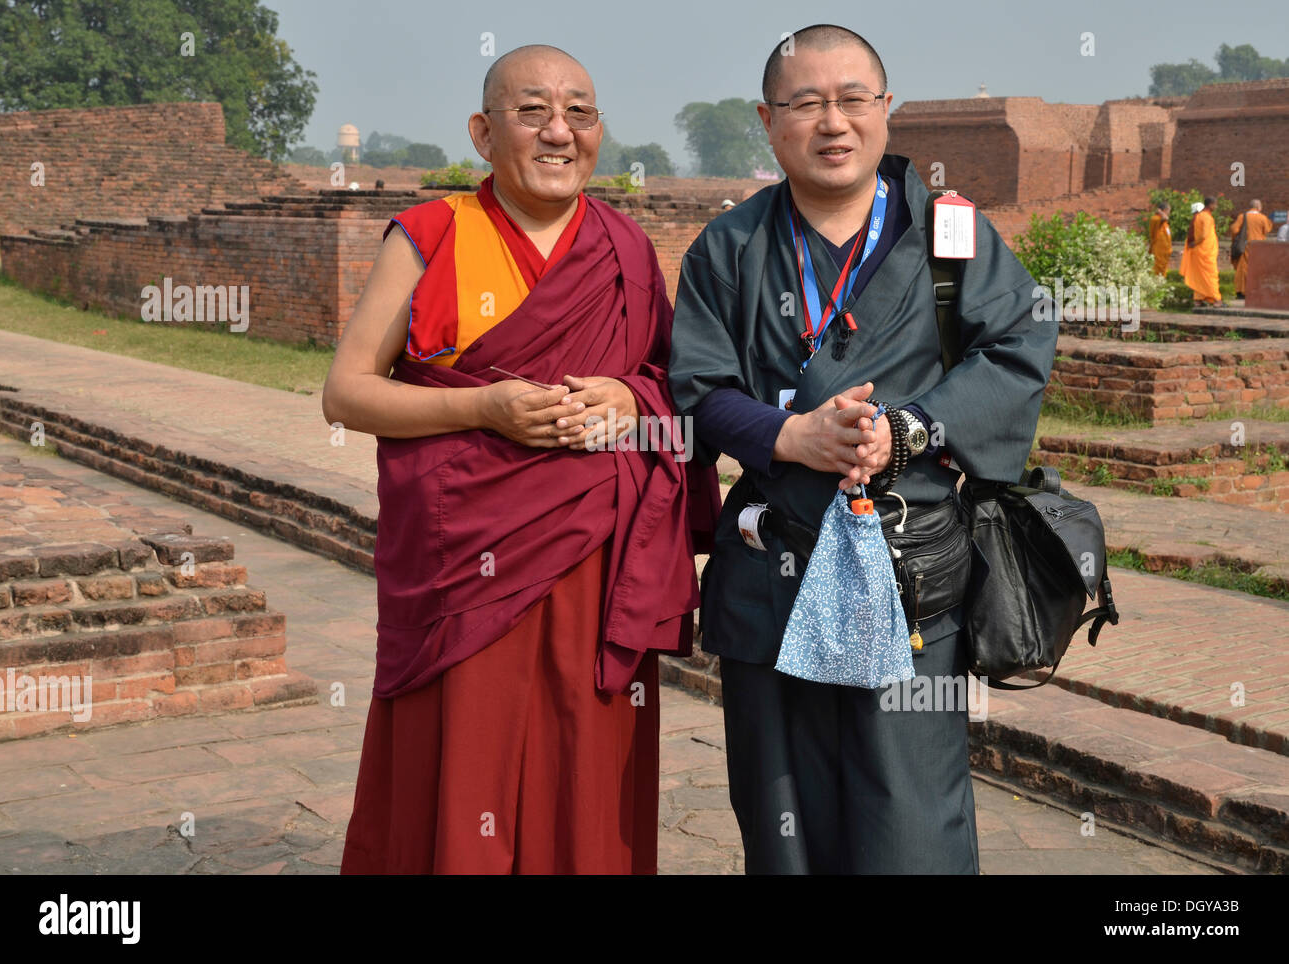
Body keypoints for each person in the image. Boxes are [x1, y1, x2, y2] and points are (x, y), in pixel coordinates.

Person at [668, 24, 1057, 874]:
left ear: (887, 111)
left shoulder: (950, 234)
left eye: (853, 100)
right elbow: (695, 394)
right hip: (773, 565)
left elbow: (1020, 345)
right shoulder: (728, 248)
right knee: (785, 825)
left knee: (910, 825)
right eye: (806, 103)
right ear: (769, 121)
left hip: (911, 572)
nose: (832, 122)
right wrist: (790, 435)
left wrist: (910, 429)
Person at [324, 43, 717, 874]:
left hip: (595, 568)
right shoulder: (431, 235)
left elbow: (679, 404)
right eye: (532, 109)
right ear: (482, 131)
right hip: (467, 566)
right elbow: (348, 394)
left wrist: (630, 401)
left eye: (580, 111)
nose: (559, 131)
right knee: (466, 754)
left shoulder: (625, 249)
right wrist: (482, 407)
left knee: (586, 761)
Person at [1180, 197, 1222, 306]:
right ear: (1211, 205)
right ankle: (1216, 299)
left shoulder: (1198, 216)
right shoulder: (1206, 217)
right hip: (1205, 251)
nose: (1216, 207)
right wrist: (1196, 242)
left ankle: (1198, 300)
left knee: (1199, 276)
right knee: (1210, 275)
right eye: (1215, 205)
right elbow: (1203, 235)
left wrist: (1194, 243)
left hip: (1200, 251)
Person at [1230, 198, 1273, 298]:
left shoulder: (1242, 216)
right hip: (1259, 247)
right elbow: (1267, 230)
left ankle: (1241, 292)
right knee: (1257, 269)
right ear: (1258, 207)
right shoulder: (1263, 218)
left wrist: (1235, 240)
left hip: (1245, 246)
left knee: (1243, 269)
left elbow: (1234, 229)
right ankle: (1255, 290)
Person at [1147, 201, 1172, 276]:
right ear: (1164, 210)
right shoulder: (1155, 219)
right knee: (1156, 273)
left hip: (1165, 253)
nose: (1169, 213)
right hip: (1158, 251)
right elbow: (1165, 218)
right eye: (1168, 211)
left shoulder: (1165, 224)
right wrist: (1160, 212)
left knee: (1163, 274)